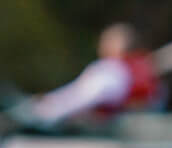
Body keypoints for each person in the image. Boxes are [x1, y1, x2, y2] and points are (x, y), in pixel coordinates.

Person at [25, 23, 160, 126]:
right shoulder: (137, 65)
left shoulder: (111, 69)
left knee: (61, 105)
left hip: (98, 111)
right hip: (112, 111)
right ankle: (47, 106)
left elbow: (85, 94)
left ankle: (45, 110)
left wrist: (51, 109)